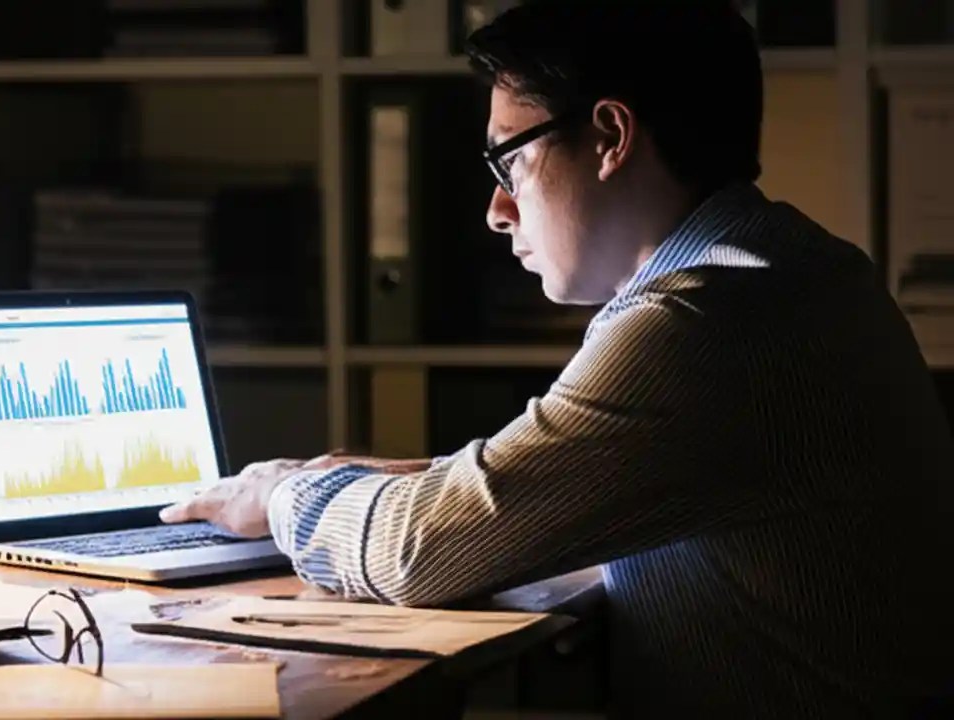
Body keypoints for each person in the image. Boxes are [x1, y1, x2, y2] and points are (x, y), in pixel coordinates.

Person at [160, 0, 954, 716]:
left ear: (609, 136)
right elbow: (548, 482)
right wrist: (383, 478)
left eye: (510, 161)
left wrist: (286, 494)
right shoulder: (799, 269)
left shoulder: (700, 319)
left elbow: (422, 552)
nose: (497, 210)